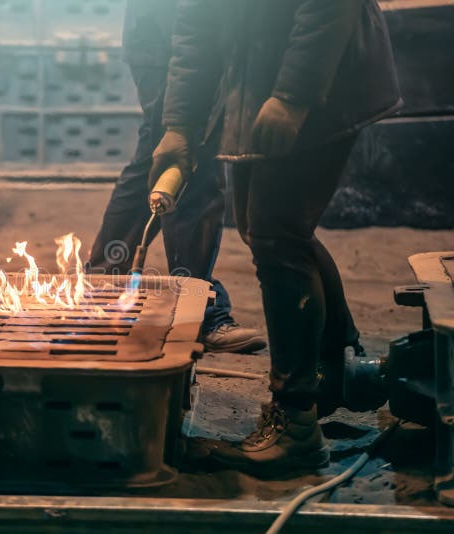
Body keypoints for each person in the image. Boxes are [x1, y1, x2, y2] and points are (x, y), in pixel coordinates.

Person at [151, 0, 401, 474]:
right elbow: (196, 21)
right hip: (261, 69)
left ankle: (297, 424)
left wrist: (294, 94)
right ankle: (332, 369)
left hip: (320, 73)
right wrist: (178, 124)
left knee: (276, 234)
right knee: (266, 229)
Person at [86, 0, 266, 355]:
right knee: (188, 164)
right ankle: (195, 309)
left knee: (157, 159)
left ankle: (102, 285)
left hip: (177, 36)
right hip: (169, 37)